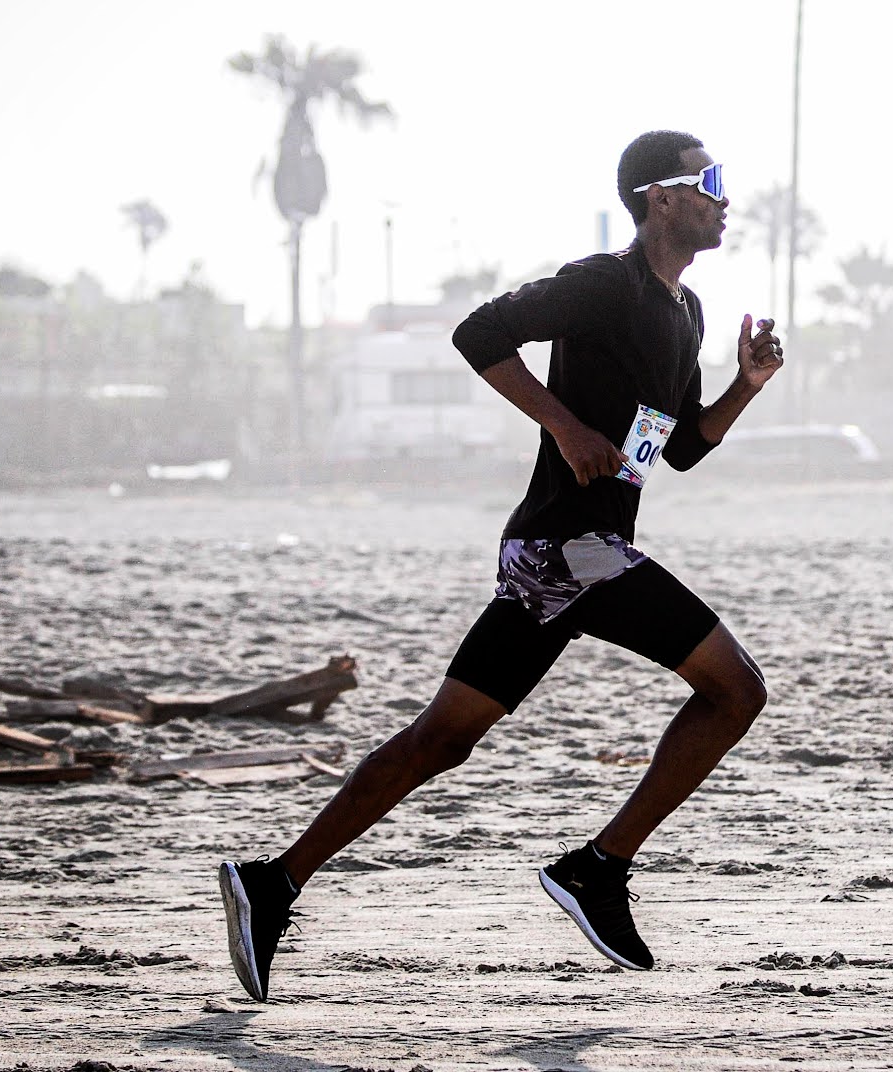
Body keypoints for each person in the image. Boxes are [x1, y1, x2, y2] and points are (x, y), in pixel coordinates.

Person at [218, 130, 784, 1002]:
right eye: (708, 180)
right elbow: (478, 333)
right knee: (736, 690)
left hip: (562, 557)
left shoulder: (685, 312)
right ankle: (598, 869)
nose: (724, 196)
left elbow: (679, 452)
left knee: (442, 739)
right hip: (575, 549)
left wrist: (743, 387)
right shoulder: (603, 283)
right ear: (660, 198)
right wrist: (562, 424)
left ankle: (272, 883)